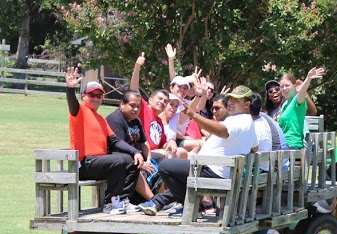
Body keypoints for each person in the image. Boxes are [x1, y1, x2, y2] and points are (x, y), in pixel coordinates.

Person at [138, 81, 258, 217]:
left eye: (236, 100)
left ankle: (190, 206)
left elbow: (222, 131)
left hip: (211, 170)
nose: (231, 102)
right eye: (230, 98)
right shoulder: (248, 123)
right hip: (216, 170)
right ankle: (156, 202)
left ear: (247, 104)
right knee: (181, 171)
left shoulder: (237, 120)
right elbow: (255, 148)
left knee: (166, 166)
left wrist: (194, 115)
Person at [64, 67, 142, 214]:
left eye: (99, 95)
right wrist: (70, 88)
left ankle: (123, 200)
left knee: (131, 159)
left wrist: (135, 152)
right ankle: (110, 203)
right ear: (83, 96)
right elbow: (72, 103)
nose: (95, 98)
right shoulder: (79, 111)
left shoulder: (100, 119)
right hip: (84, 164)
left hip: (98, 163)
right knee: (117, 161)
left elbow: (116, 140)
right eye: (92, 94)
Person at [106, 90, 161, 203]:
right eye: (132, 105)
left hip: (136, 155)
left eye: (138, 106)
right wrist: (142, 163)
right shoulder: (115, 119)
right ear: (122, 103)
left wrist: (149, 159)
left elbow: (143, 142)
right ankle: (153, 200)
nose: (135, 109)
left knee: (160, 159)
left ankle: (162, 197)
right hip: (120, 158)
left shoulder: (136, 120)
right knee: (132, 162)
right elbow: (119, 146)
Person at [275, 67, 325, 149]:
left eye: (287, 85)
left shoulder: (297, 100)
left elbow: (302, 91)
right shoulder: (285, 104)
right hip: (283, 144)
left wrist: (308, 78)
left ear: (295, 86)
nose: (284, 89)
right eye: (281, 86)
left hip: (292, 145)